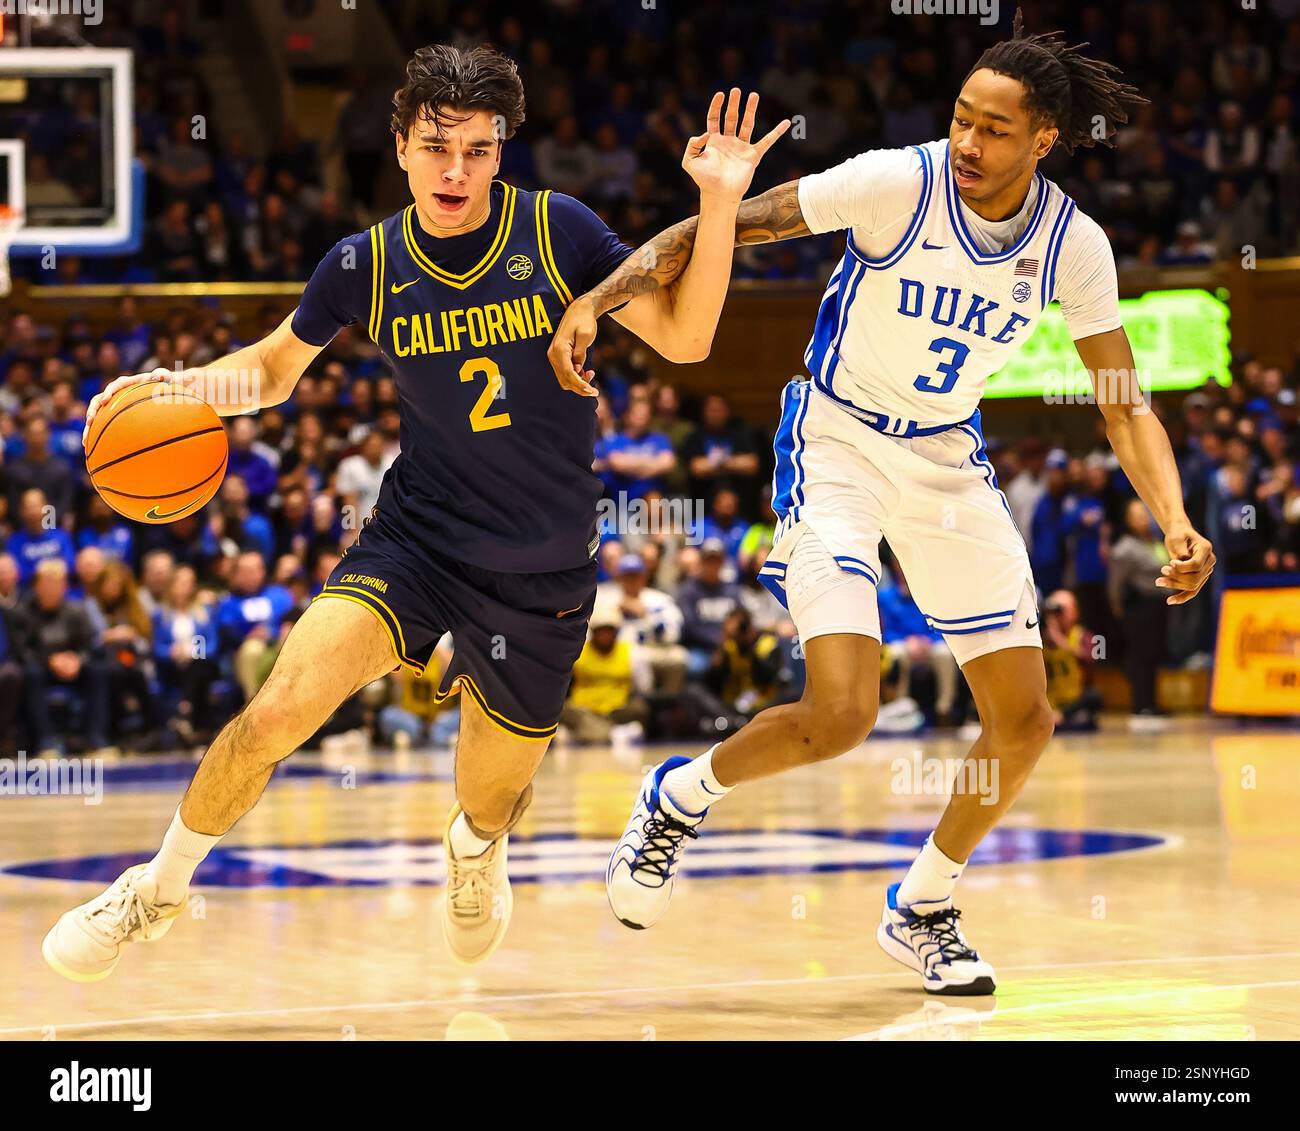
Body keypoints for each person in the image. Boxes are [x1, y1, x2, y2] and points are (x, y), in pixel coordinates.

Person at [43, 45, 786, 980]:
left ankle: (475, 849)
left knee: (488, 798)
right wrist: (179, 388)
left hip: (542, 569)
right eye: (437, 146)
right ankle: (156, 887)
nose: (456, 170)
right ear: (400, 147)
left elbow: (688, 335)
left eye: (478, 150)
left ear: (500, 153)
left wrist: (718, 206)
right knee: (277, 710)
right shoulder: (365, 263)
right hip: (415, 540)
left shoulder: (561, 234)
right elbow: (271, 372)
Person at [554, 10, 1215, 996]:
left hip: (946, 460)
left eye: (995, 128)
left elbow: (1122, 407)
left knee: (1025, 718)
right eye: (960, 117)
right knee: (844, 709)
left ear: (1043, 138)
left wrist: (1173, 518)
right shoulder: (892, 182)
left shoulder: (1073, 246)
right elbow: (715, 226)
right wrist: (598, 300)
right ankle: (677, 794)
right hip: (837, 443)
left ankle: (925, 904)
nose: (967, 142)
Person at [559, 605, 651, 745]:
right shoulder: (578, 651)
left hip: (617, 710)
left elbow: (644, 685)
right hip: (583, 709)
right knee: (562, 709)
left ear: (616, 632)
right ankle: (614, 734)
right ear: (594, 632)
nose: (605, 635)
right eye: (601, 631)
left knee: (640, 707)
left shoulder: (631, 653)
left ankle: (584, 733)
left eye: (609, 631)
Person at [1040, 588, 1102, 731]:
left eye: (1062, 609)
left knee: (1094, 696)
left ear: (1075, 611)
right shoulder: (1039, 638)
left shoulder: (1085, 636)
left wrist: (1060, 640)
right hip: (1049, 699)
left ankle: (1061, 716)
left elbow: (1093, 660)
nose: (1058, 615)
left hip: (1074, 699)